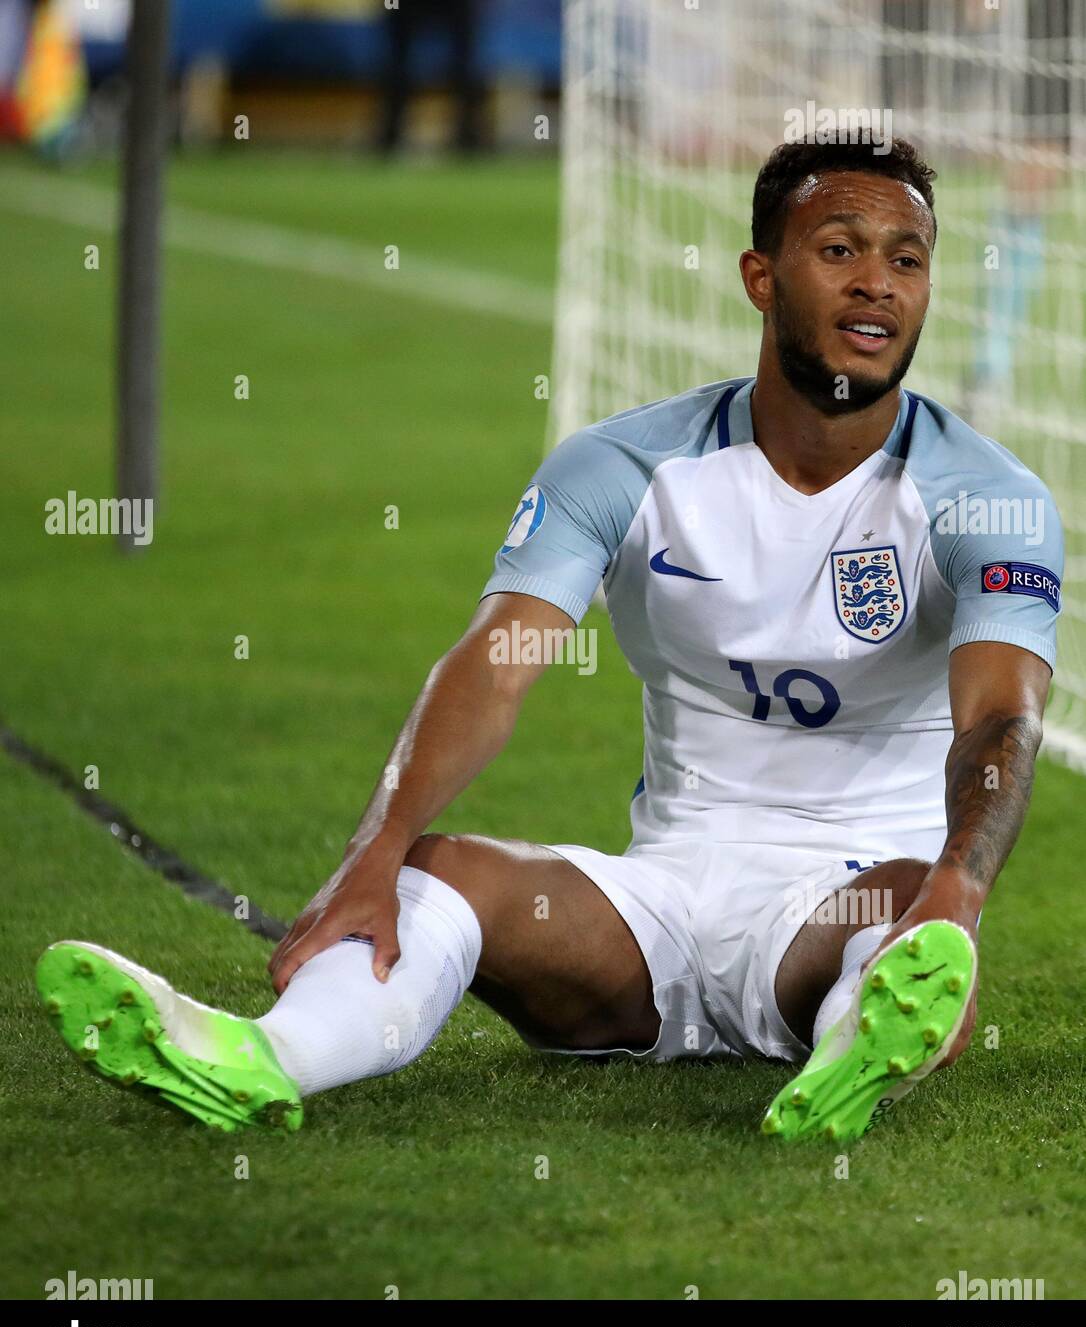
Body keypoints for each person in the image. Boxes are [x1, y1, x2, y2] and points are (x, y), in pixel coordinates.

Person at [37, 134, 1063, 1142]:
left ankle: (854, 1048)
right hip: (657, 909)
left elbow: (999, 719)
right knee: (436, 872)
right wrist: (375, 847)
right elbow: (498, 661)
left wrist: (957, 893)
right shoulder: (621, 464)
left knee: (901, 915)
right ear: (762, 276)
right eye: (840, 250)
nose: (877, 283)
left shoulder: (989, 499)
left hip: (847, 900)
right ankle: (260, 1057)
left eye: (907, 259)